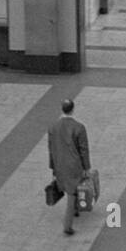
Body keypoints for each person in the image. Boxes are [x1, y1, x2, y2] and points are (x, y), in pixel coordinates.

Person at [48, 98, 91, 236]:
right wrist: (86, 167)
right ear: (73, 109)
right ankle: (68, 225)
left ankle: (76, 209)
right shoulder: (79, 127)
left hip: (59, 164)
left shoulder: (53, 127)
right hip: (73, 165)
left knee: (69, 189)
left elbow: (51, 148)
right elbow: (83, 149)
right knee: (72, 194)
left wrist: (53, 166)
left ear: (62, 109)